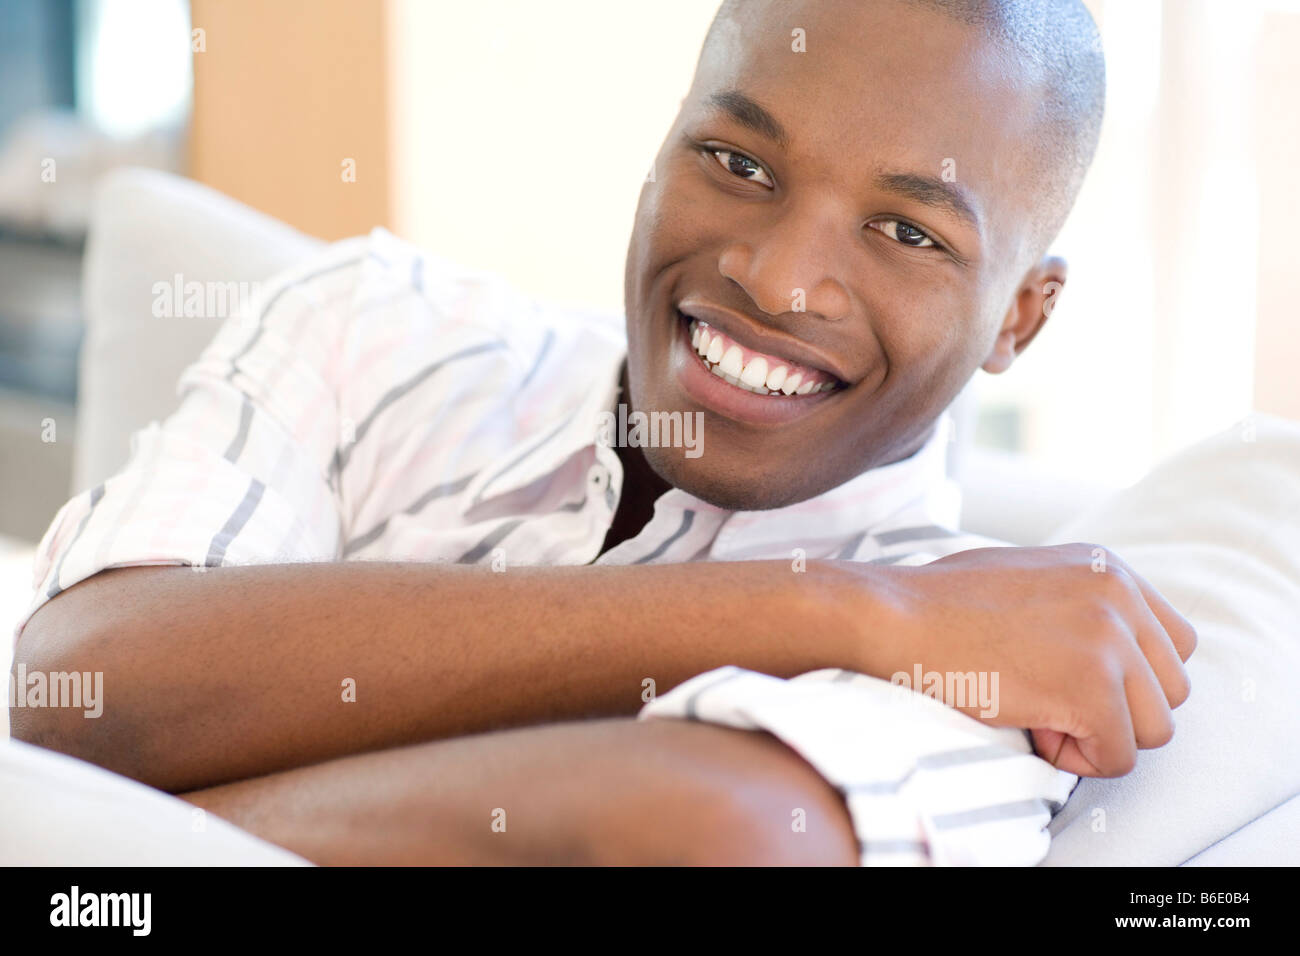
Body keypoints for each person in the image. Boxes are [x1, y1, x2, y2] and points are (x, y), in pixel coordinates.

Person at [10, 0, 1195, 865]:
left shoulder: (995, 650)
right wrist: (826, 608)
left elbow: (697, 832)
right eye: (736, 161)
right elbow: (79, 684)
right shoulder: (367, 320)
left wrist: (142, 832)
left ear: (1021, 317)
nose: (777, 278)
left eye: (908, 232)